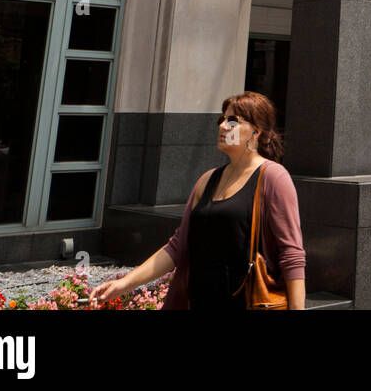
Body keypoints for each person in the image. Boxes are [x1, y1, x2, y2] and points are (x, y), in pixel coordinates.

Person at [91, 92, 306, 310]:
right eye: (221, 119)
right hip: (200, 301)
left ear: (256, 132)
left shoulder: (273, 177)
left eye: (233, 121)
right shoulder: (207, 180)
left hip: (246, 303)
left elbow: (292, 255)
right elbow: (177, 247)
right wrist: (123, 284)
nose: (222, 126)